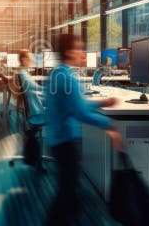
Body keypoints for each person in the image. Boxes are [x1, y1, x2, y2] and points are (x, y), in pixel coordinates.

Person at [45, 34, 124, 226]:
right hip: (65, 140)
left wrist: (102, 102)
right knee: (67, 188)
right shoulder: (67, 77)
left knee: (69, 188)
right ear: (70, 51)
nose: (82, 53)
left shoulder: (58, 73)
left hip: (57, 137)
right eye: (79, 48)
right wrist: (109, 126)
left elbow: (76, 104)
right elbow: (79, 112)